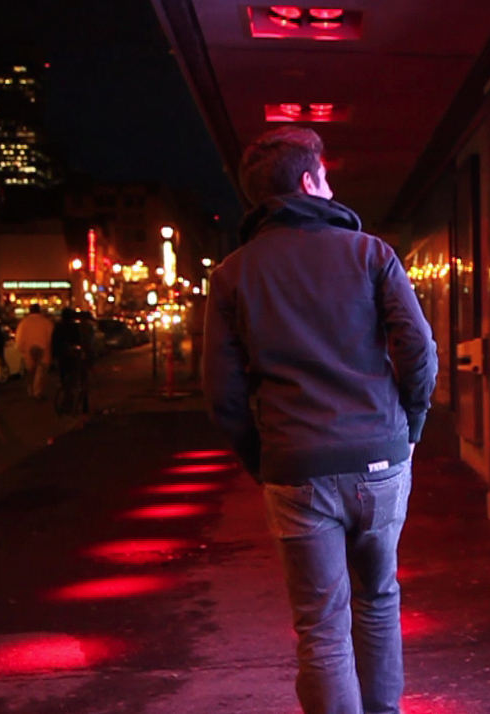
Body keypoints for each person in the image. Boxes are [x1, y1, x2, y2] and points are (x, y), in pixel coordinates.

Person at [204, 126, 436, 714]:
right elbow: (418, 350)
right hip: (380, 458)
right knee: (379, 599)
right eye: (326, 176)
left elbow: (223, 392)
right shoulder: (371, 254)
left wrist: (264, 460)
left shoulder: (232, 274)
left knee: (321, 625)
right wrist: (409, 427)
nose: (331, 186)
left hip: (295, 466)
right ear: (310, 182)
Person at [51, 308, 89, 414]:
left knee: (64, 379)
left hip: (61, 356)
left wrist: (54, 355)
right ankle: (72, 401)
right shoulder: (73, 326)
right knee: (75, 378)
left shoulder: (58, 327)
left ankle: (65, 397)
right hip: (71, 355)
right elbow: (78, 341)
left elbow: (54, 342)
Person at [15, 304, 54, 399]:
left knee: (30, 370)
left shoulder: (24, 323)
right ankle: (38, 391)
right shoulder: (46, 322)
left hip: (28, 348)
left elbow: (19, 338)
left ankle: (30, 390)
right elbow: (51, 336)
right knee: (41, 370)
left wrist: (21, 348)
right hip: (43, 347)